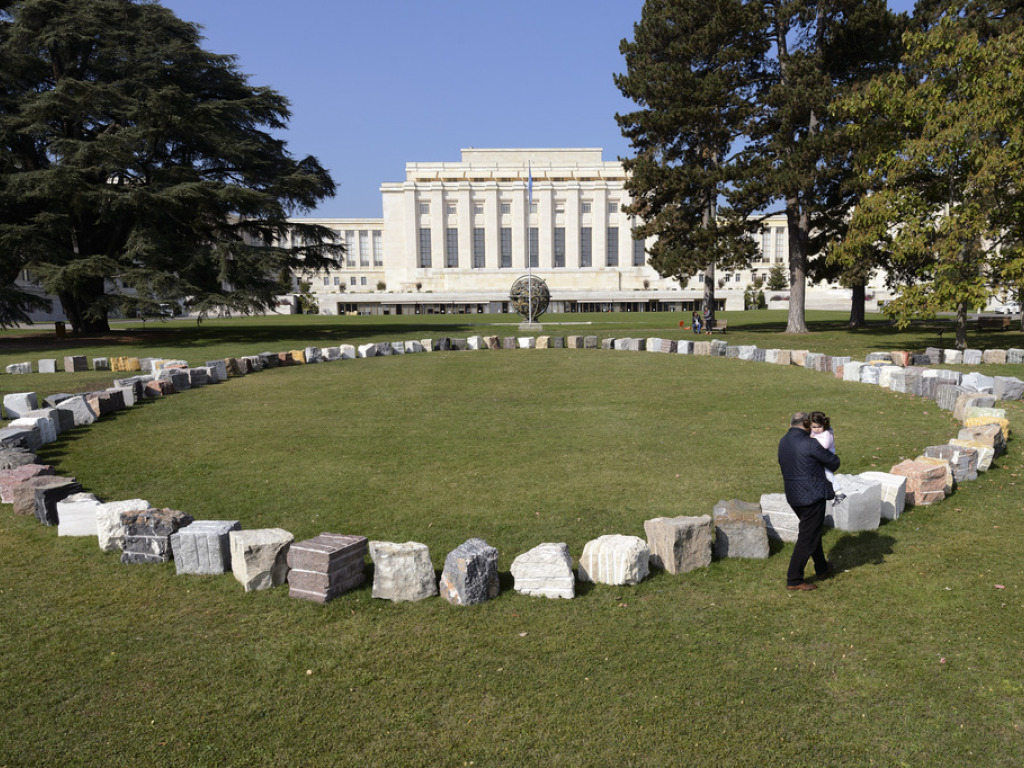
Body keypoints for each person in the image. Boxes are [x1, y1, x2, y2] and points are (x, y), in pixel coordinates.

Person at [777, 411, 840, 591]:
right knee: (807, 537)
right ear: (806, 425)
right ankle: (794, 579)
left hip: (793, 496)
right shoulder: (811, 444)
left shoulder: (783, 441)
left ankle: (822, 568)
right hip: (812, 496)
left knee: (812, 531)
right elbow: (834, 462)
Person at [808, 411, 844, 504]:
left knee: (827, 473)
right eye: (814, 427)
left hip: (827, 455)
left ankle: (838, 491)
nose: (816, 429)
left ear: (824, 425)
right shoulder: (812, 432)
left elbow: (825, 445)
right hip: (819, 455)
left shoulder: (827, 433)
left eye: (819, 427)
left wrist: (812, 440)